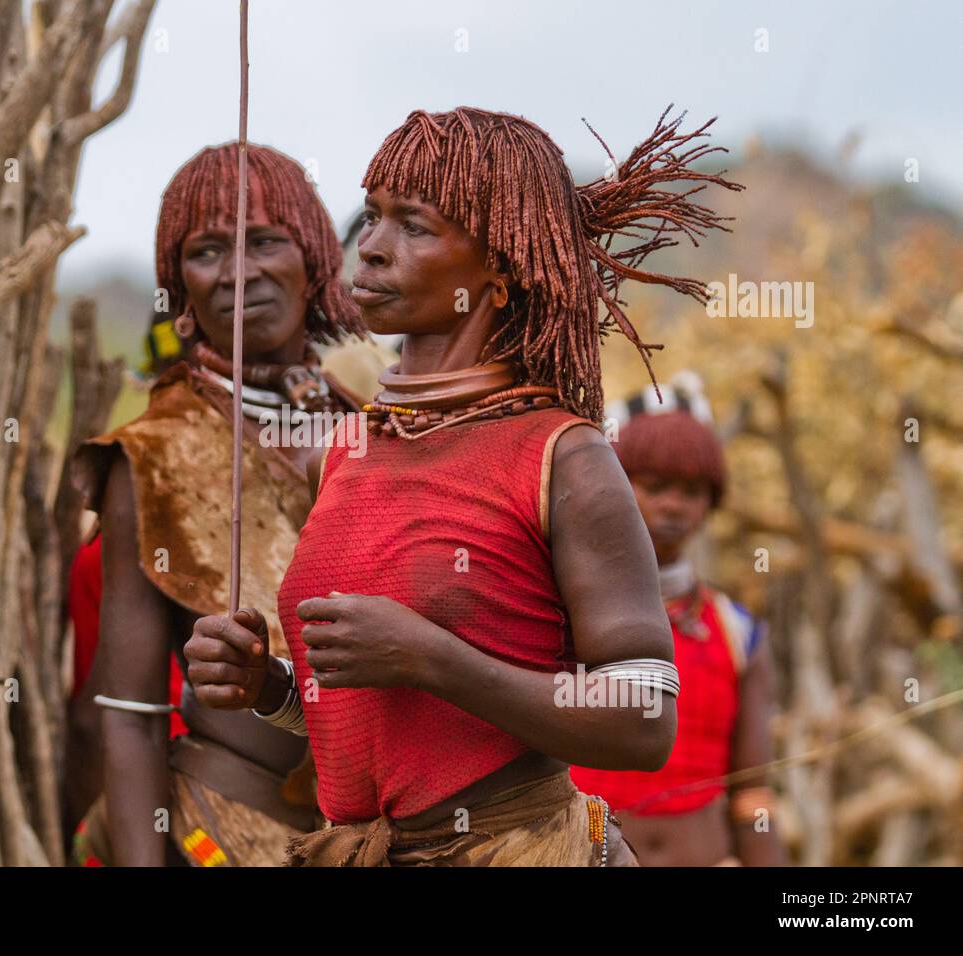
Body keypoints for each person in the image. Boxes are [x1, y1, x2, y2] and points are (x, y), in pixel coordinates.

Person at [185, 105, 741, 866]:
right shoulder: (347, 450)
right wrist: (272, 687)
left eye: (414, 225)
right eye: (374, 216)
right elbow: (382, 719)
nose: (372, 249)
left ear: (501, 269)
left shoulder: (564, 458)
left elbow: (644, 721)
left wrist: (434, 660)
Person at [70, 142, 367, 866]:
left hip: (380, 836)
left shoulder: (373, 430)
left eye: (265, 241)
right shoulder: (155, 452)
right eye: (207, 251)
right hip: (222, 828)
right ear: (180, 285)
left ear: (316, 258)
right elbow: (131, 715)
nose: (239, 272)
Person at [570, 378, 787, 865]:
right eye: (654, 485)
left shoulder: (736, 632)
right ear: (613, 489)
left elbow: (753, 790)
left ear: (711, 503)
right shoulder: (560, 616)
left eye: (692, 490)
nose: (674, 504)